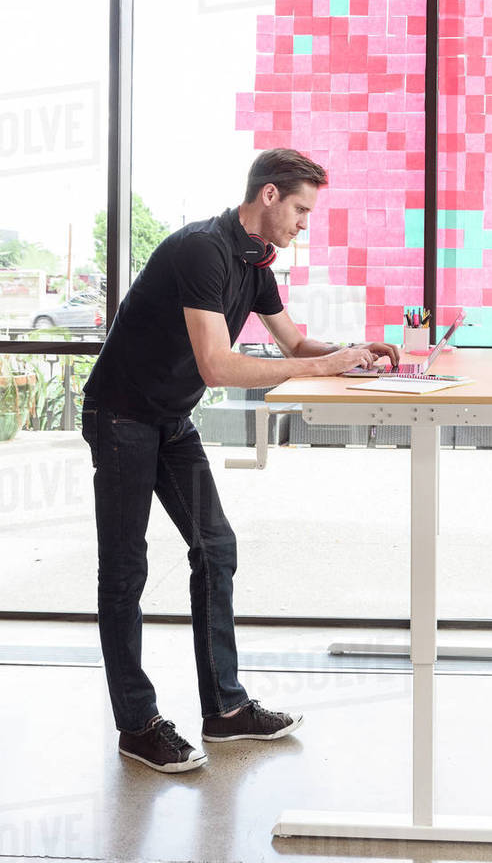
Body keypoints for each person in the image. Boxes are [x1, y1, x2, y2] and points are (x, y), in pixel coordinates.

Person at [82, 148, 399, 772]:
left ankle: (224, 710)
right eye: (302, 209)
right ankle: (136, 724)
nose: (305, 223)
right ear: (271, 196)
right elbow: (218, 366)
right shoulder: (202, 249)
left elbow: (296, 342)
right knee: (125, 571)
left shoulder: (254, 265)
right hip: (121, 416)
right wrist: (320, 365)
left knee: (214, 545)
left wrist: (352, 351)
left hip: (169, 420)